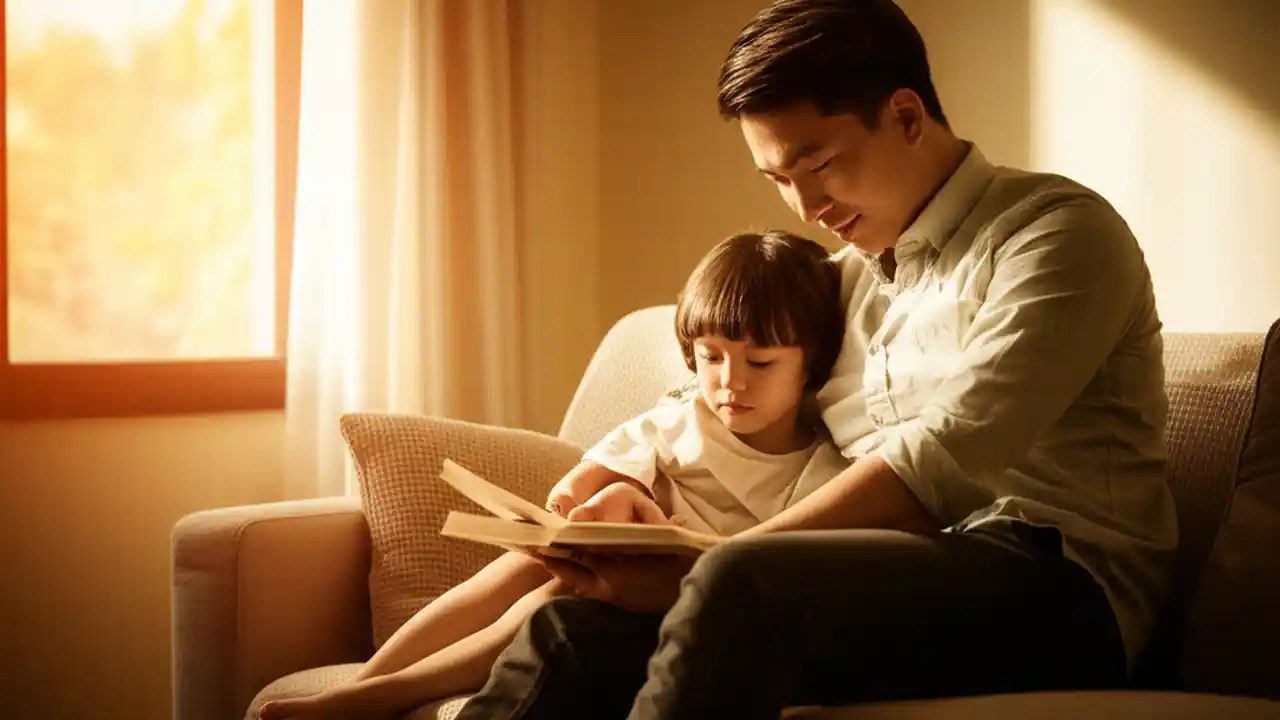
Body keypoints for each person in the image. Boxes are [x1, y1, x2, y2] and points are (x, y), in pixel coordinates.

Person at [456, 1, 1179, 719]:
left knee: (741, 579)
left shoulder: (1055, 235)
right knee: (575, 632)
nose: (804, 206)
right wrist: (620, 477)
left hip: (1058, 591)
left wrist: (706, 562)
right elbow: (724, 382)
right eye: (777, 179)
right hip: (869, 577)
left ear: (904, 115)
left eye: (820, 164)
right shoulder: (846, 282)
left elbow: (945, 457)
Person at [256, 231, 849, 720]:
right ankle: (364, 685)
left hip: (684, 612)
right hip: (618, 578)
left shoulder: (824, 470)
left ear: (812, 366)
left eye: (761, 362)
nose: (730, 382)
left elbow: (786, 575)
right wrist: (601, 505)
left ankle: (374, 699)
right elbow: (579, 486)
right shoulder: (680, 419)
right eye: (711, 357)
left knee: (559, 596)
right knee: (535, 565)